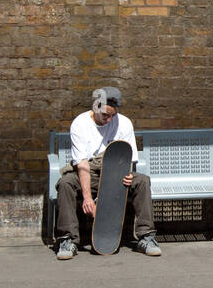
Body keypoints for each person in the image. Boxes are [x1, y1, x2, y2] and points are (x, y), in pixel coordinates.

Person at [54, 86, 161, 259]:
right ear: (96, 106)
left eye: (113, 115)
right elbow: (82, 164)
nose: (110, 120)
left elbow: (129, 157)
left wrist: (127, 174)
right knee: (66, 183)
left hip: (115, 172)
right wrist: (88, 198)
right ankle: (68, 240)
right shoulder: (80, 124)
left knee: (142, 181)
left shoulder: (124, 122)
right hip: (89, 172)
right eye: (105, 115)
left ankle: (146, 237)